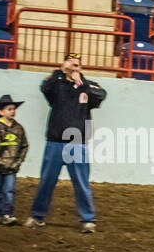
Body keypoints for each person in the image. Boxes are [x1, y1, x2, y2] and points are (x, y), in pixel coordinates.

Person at [26, 52, 106, 233]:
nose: (73, 68)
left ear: (81, 68)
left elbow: (101, 94)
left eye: (76, 65)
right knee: (47, 180)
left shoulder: (88, 86)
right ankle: (38, 215)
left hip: (77, 142)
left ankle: (88, 219)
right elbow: (45, 88)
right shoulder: (57, 84)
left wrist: (81, 82)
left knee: (81, 182)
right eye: (70, 64)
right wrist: (59, 72)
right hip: (55, 141)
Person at [0, 94, 28, 226]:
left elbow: (24, 146)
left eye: (13, 109)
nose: (12, 111)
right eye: (9, 109)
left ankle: (7, 213)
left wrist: (19, 161)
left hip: (12, 167)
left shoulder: (19, 129)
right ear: (1, 112)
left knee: (9, 191)